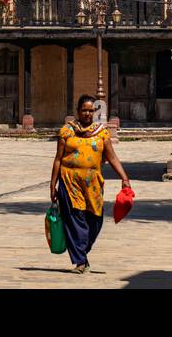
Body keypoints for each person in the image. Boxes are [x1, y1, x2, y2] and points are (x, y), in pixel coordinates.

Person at [50, 95, 131, 273]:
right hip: (69, 182)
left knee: (95, 221)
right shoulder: (67, 131)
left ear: (94, 112)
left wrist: (124, 178)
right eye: (84, 110)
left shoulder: (102, 133)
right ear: (78, 111)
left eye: (90, 110)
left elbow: (112, 157)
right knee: (74, 220)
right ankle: (80, 261)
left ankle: (82, 252)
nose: (87, 113)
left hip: (93, 184)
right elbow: (58, 160)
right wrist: (53, 184)